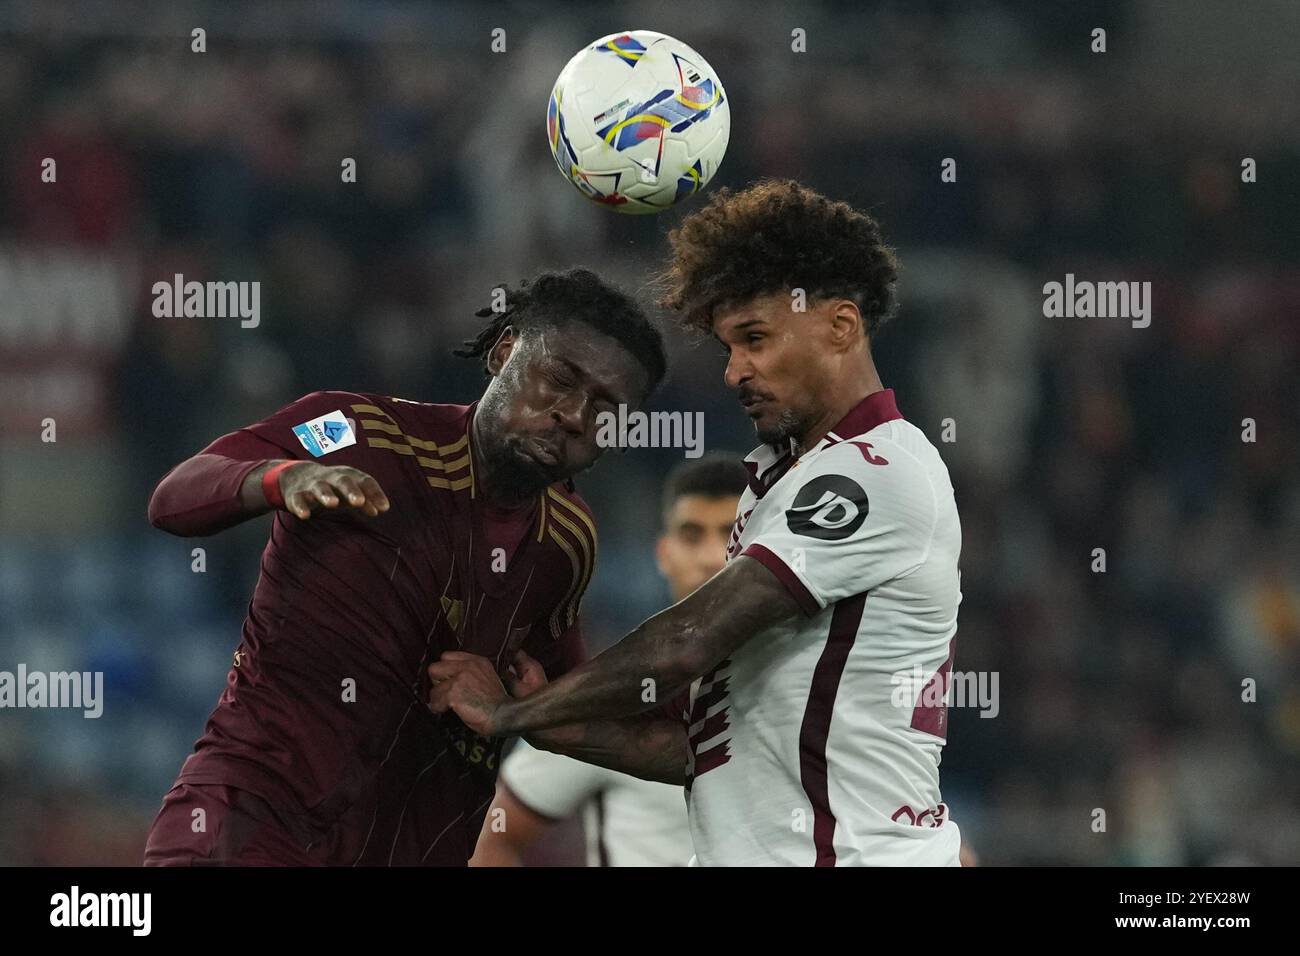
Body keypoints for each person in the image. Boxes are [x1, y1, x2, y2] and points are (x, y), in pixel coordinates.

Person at [429, 181, 965, 866]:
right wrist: (556, 725)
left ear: (840, 326)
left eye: (756, 339)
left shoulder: (876, 471)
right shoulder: (781, 483)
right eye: (728, 348)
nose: (737, 370)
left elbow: (687, 640)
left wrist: (510, 713)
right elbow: (703, 750)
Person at [141, 267, 666, 866]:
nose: (573, 415)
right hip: (253, 825)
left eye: (605, 408)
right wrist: (286, 477)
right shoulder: (358, 432)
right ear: (504, 352)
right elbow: (174, 499)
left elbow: (560, 697)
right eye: (559, 380)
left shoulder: (568, 544)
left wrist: (520, 709)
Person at [472, 454, 747, 867]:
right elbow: (495, 838)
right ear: (664, 552)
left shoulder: (811, 681)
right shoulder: (610, 691)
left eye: (729, 536)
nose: (710, 558)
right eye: (692, 536)